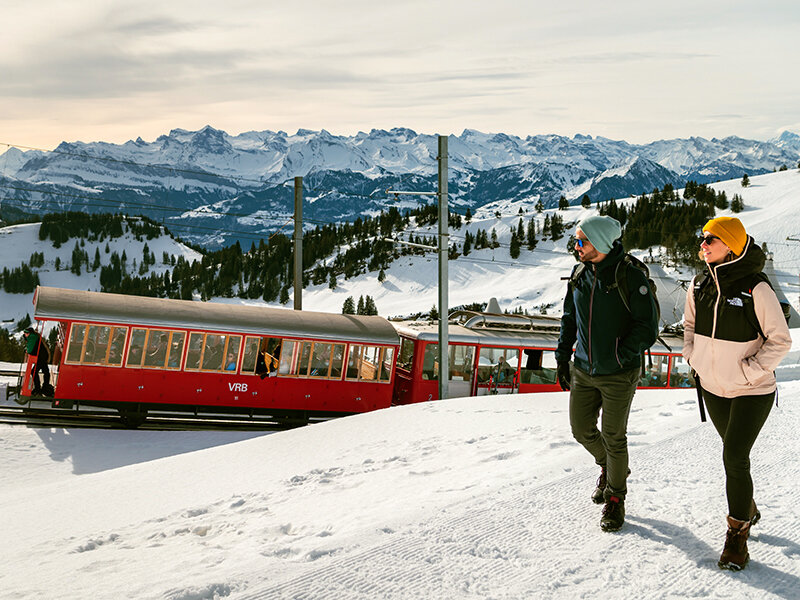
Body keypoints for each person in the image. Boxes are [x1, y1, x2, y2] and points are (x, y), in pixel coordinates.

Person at [683, 216, 791, 571]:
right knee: (734, 458)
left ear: (730, 244)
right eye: (702, 239)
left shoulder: (755, 288)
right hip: (713, 389)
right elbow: (689, 327)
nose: (702, 245)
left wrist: (751, 371)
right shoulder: (699, 285)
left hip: (752, 391)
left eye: (710, 240)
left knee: (733, 457)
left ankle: (737, 536)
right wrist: (692, 357)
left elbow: (780, 340)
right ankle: (747, 505)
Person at [556, 215, 659, 532]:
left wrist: (620, 355)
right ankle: (611, 467)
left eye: (581, 241)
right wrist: (563, 357)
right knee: (580, 429)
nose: (576, 246)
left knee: (615, 437)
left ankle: (615, 500)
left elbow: (648, 328)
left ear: (600, 243)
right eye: (576, 240)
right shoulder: (579, 275)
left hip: (618, 374)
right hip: (583, 369)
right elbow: (569, 318)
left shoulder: (630, 277)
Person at [23, 326, 51, 396]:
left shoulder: (32, 337)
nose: (25, 334)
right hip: (43, 356)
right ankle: (45, 387)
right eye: (24, 332)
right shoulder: (34, 336)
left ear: (30, 333)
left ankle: (38, 389)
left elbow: (30, 350)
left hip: (41, 357)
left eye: (26, 332)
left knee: (34, 372)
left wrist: (27, 350)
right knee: (46, 372)